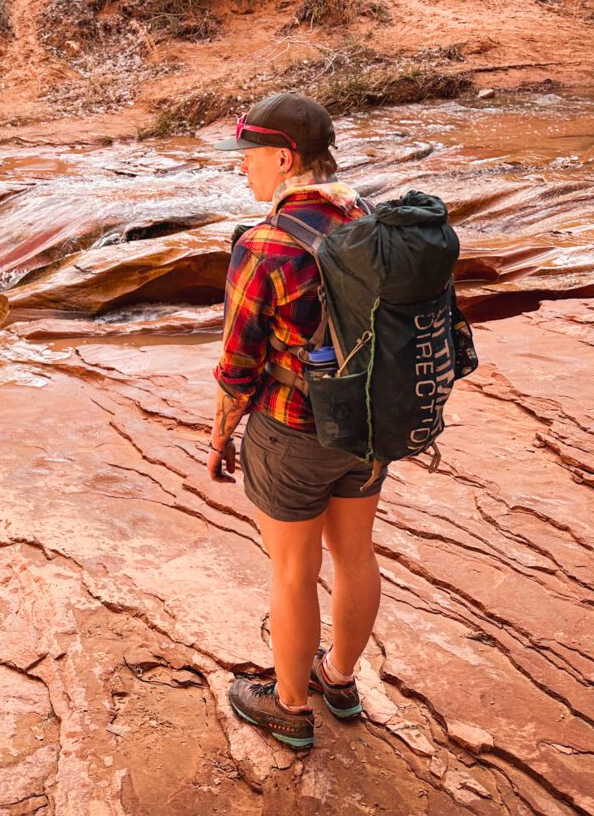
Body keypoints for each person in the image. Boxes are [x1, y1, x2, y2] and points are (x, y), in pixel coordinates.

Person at [207, 92, 380, 751]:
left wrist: (222, 434)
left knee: (292, 570)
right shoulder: (369, 218)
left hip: (292, 428)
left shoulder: (265, 244)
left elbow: (237, 363)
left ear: (284, 158)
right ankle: (337, 679)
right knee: (356, 553)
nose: (241, 170)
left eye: (248, 158)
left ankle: (287, 707)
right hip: (367, 422)